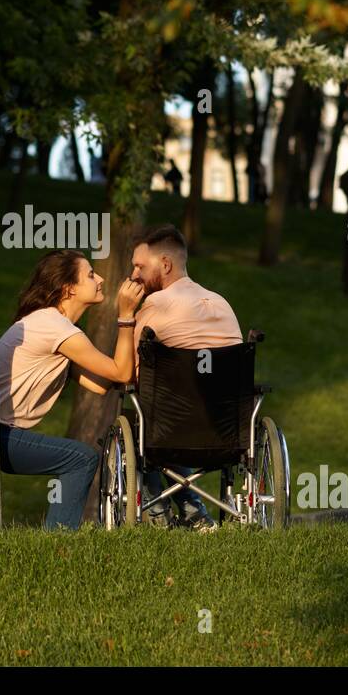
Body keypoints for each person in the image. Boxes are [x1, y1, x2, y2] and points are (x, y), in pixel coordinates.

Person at [0, 249, 145, 529]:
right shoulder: (55, 327)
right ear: (68, 289)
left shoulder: (51, 326)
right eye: (90, 274)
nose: (100, 278)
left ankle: (58, 538)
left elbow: (100, 385)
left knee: (79, 457)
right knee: (81, 457)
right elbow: (120, 372)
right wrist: (126, 316)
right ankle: (58, 543)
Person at [128, 224, 242, 531]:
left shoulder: (156, 305)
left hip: (170, 432)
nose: (134, 275)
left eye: (140, 266)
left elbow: (129, 372)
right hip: (227, 433)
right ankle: (195, 512)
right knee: (176, 409)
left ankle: (158, 515)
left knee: (140, 414)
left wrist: (125, 316)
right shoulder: (222, 303)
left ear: (165, 264)